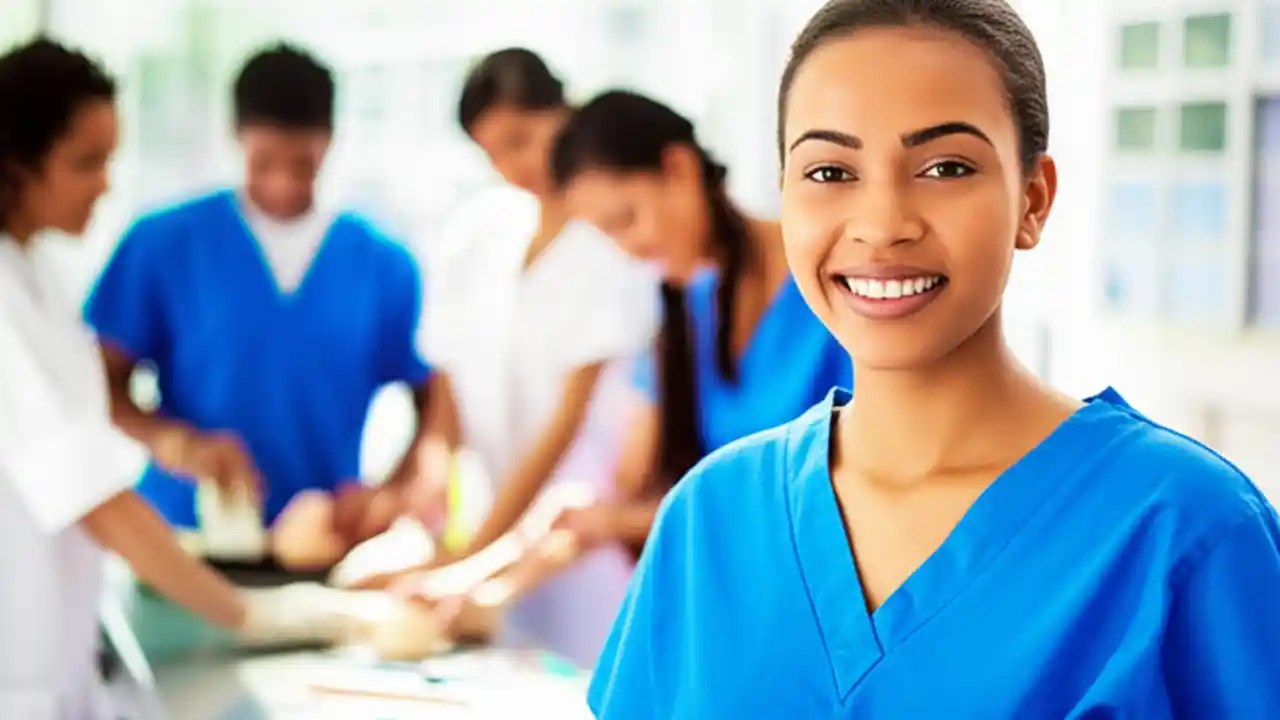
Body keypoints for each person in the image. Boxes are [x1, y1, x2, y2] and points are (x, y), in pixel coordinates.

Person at [588, 1, 1280, 717]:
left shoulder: (1185, 527)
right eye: (829, 171)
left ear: (1033, 200)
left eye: (946, 166)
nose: (883, 225)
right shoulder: (710, 519)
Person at [394, 90, 850, 659]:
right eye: (609, 235)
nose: (631, 249)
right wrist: (479, 577)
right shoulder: (686, 311)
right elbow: (623, 490)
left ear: (679, 169)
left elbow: (829, 495)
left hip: (825, 623)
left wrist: (601, 522)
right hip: (733, 621)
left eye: (627, 219)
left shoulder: (833, 285)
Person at [0, 38, 339, 719]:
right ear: (14, 165)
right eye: (85, 163)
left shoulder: (35, 272)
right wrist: (256, 615)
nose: (105, 184)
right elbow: (93, 495)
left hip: (64, 645)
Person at [357, 50, 657, 664]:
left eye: (522, 139)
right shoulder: (477, 233)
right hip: (493, 549)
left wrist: (473, 557)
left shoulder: (615, 240)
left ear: (564, 111)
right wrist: (430, 492)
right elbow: (447, 396)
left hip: (578, 550)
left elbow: (562, 429)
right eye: (492, 153)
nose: (513, 167)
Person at [83, 44, 432, 569]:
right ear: (235, 136)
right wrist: (178, 443)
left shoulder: (384, 265)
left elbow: (435, 408)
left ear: (330, 143)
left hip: (320, 549)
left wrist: (388, 493)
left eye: (304, 164)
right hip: (182, 544)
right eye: (263, 161)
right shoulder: (164, 243)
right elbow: (97, 384)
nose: (283, 182)